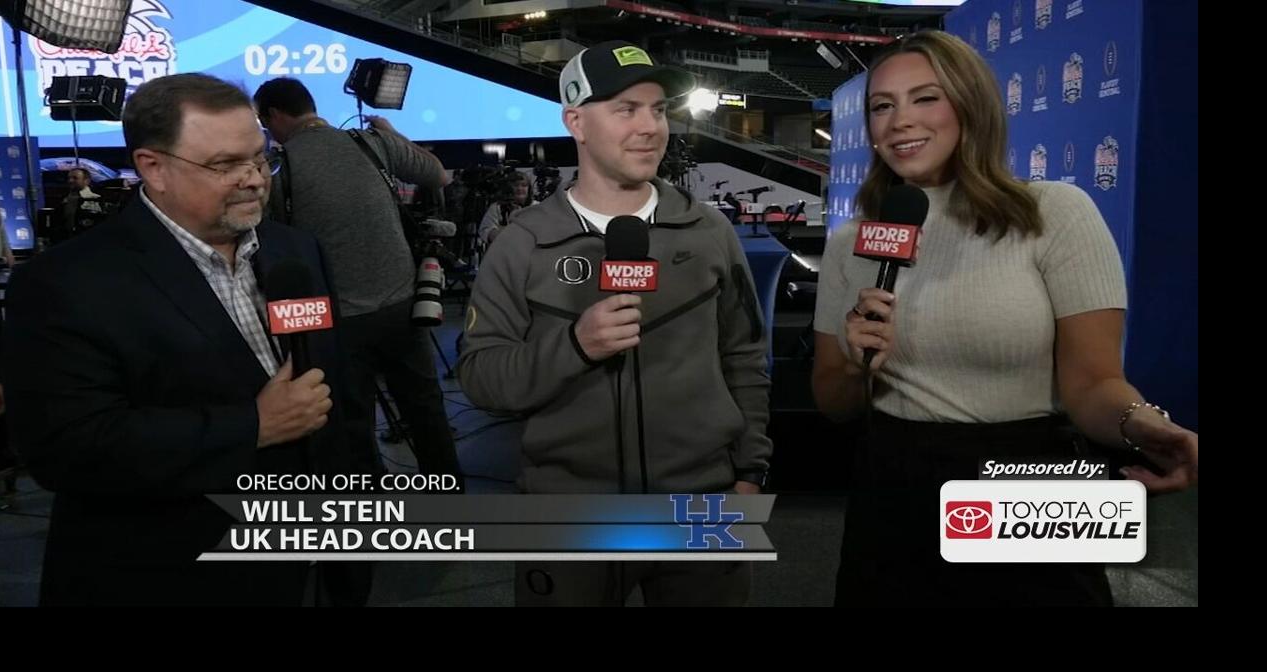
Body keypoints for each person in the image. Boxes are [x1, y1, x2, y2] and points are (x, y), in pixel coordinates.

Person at [810, 30, 1199, 607]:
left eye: (926, 98)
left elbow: (1094, 383)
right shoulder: (851, 243)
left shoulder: (1054, 213)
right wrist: (851, 361)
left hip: (1028, 478)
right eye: (882, 106)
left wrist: (1141, 424)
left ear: (972, 104)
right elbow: (832, 401)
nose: (899, 121)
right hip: (893, 484)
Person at [2, 73, 346, 606]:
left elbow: (328, 388)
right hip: (162, 576)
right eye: (224, 165)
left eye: (260, 159)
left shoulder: (296, 252)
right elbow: (64, 450)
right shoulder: (65, 283)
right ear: (152, 168)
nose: (254, 179)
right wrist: (253, 425)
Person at [459, 41, 772, 606]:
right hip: (566, 510)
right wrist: (574, 345)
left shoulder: (708, 233)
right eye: (626, 109)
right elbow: (482, 377)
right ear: (575, 121)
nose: (650, 127)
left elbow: (744, 358)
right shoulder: (522, 244)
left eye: (658, 109)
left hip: (700, 501)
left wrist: (749, 475)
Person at [254, 78, 461, 487]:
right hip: (404, 306)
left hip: (340, 320)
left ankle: (371, 519)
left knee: (354, 422)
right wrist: (392, 133)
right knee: (425, 408)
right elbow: (437, 175)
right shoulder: (372, 142)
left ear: (275, 115)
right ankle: (452, 500)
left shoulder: (281, 166)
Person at [476, 171, 532, 248]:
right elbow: (486, 230)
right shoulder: (497, 207)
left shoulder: (538, 206)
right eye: (516, 185)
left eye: (524, 185)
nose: (520, 188)